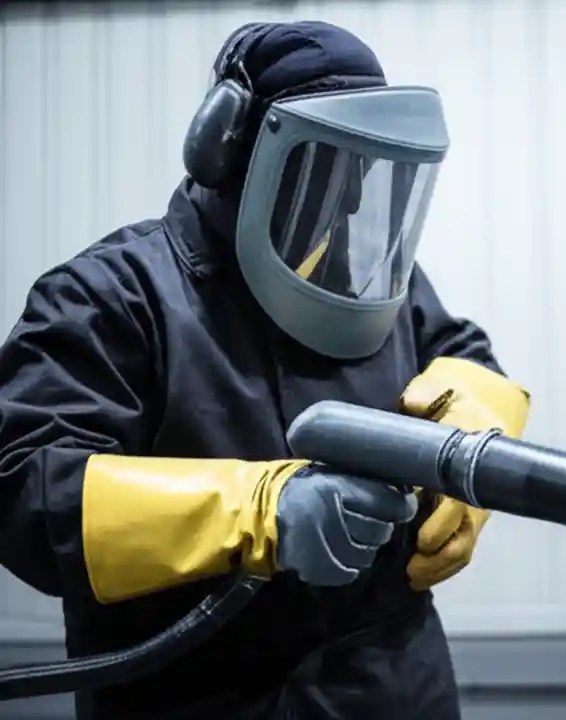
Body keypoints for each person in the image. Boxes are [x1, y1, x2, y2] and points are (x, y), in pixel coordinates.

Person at [0, 20, 529, 719]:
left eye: (361, 173)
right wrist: (258, 512)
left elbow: (464, 353)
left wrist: (472, 440)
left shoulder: (366, 282)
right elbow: (28, 489)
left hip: (392, 687)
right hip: (196, 693)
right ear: (230, 154)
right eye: (326, 169)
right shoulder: (112, 295)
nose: (345, 201)